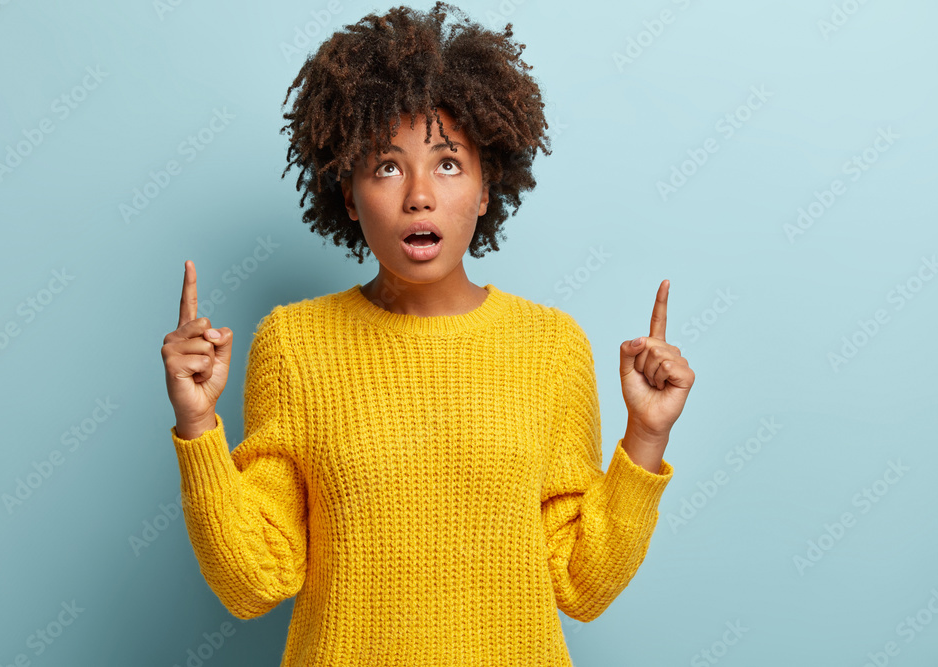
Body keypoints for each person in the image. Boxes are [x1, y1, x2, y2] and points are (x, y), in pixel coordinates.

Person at [160, 3, 695, 665]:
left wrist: (645, 436)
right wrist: (197, 427)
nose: (419, 194)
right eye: (386, 166)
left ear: (484, 187)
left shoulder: (552, 346)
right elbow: (256, 580)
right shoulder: (293, 343)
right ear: (350, 195)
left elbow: (578, 582)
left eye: (447, 164)